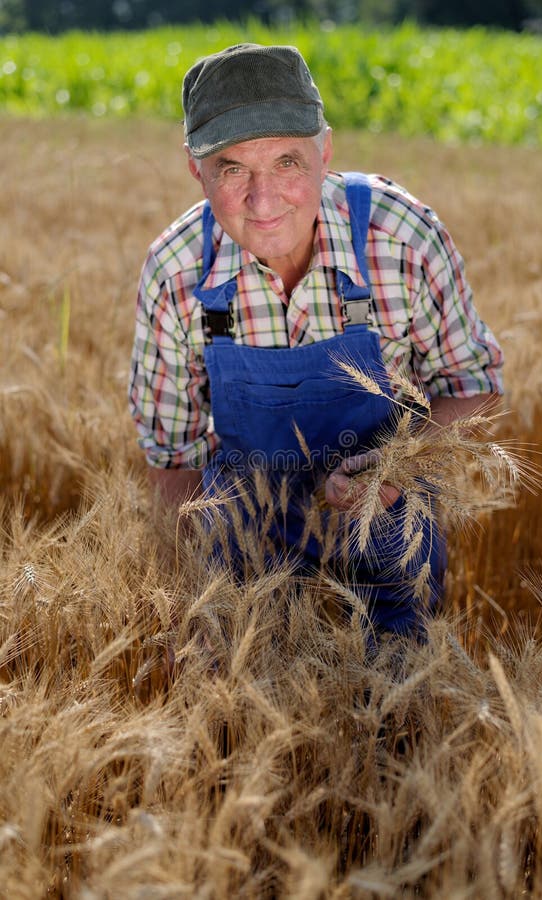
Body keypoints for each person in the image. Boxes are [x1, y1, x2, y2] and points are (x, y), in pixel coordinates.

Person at [128, 43, 504, 637]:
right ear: (194, 169)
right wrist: (190, 606)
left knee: (396, 719)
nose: (264, 198)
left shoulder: (399, 238)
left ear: (325, 152)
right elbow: (172, 463)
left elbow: (475, 390)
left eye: (286, 162)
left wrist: (395, 466)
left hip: (388, 549)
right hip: (243, 574)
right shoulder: (177, 273)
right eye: (232, 168)